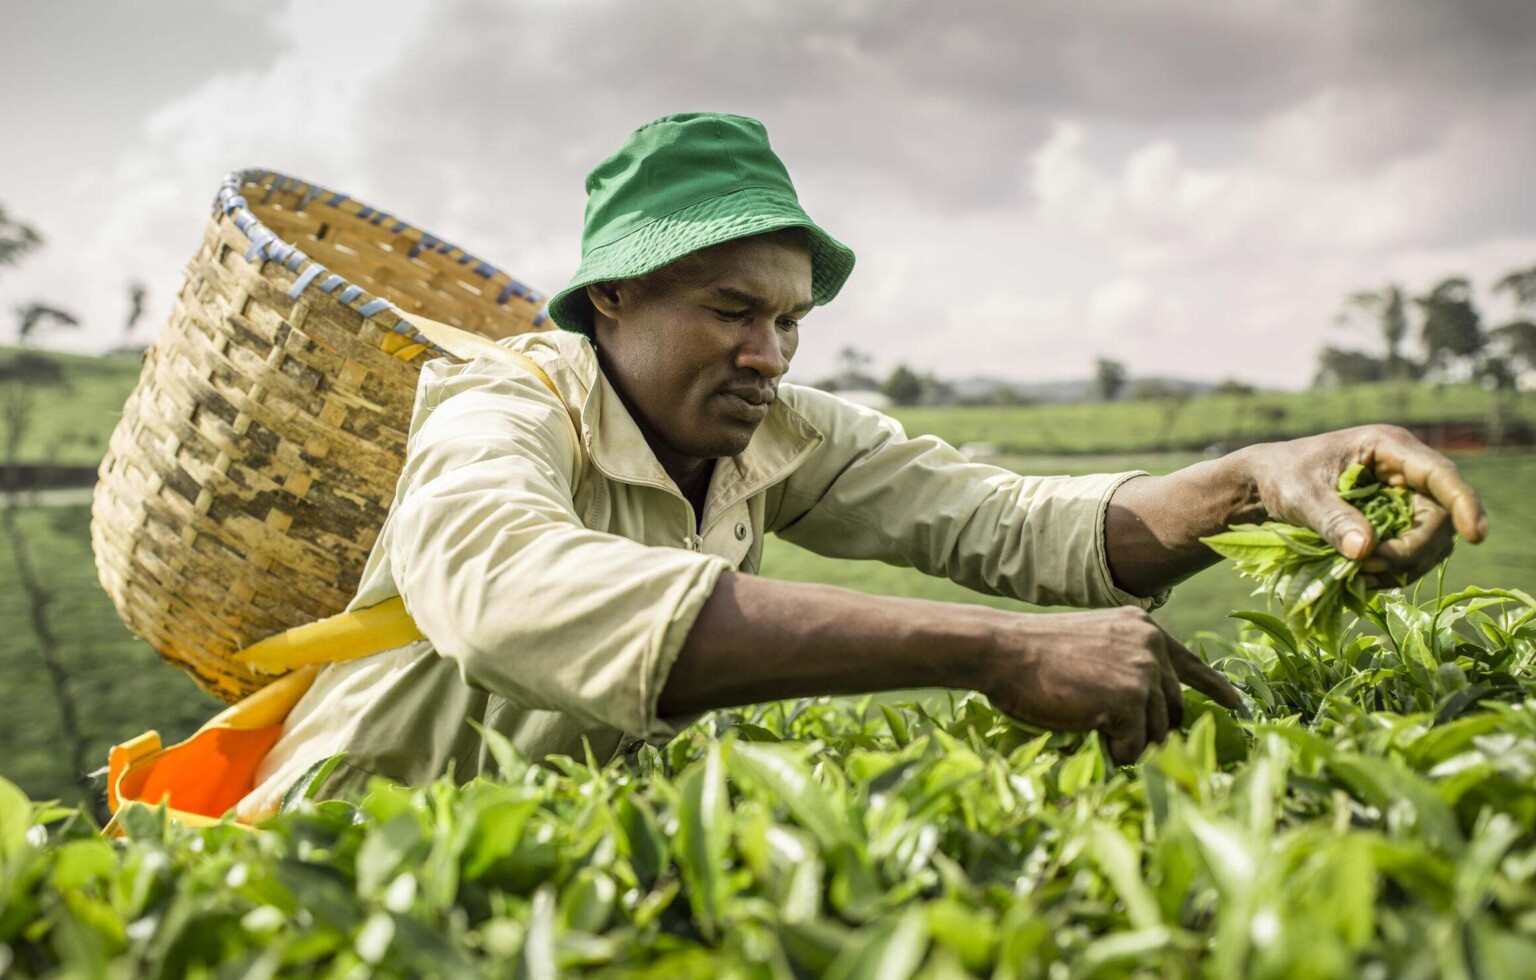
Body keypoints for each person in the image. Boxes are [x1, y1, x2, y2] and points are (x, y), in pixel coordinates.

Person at [236, 113, 1486, 820]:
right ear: (612, 298)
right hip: (327, 862)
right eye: (734, 310)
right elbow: (507, 592)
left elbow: (1011, 521)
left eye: (790, 320)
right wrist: (994, 651)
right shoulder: (504, 401)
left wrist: (1258, 477)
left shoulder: (779, 432)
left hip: (521, 868)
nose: (770, 353)